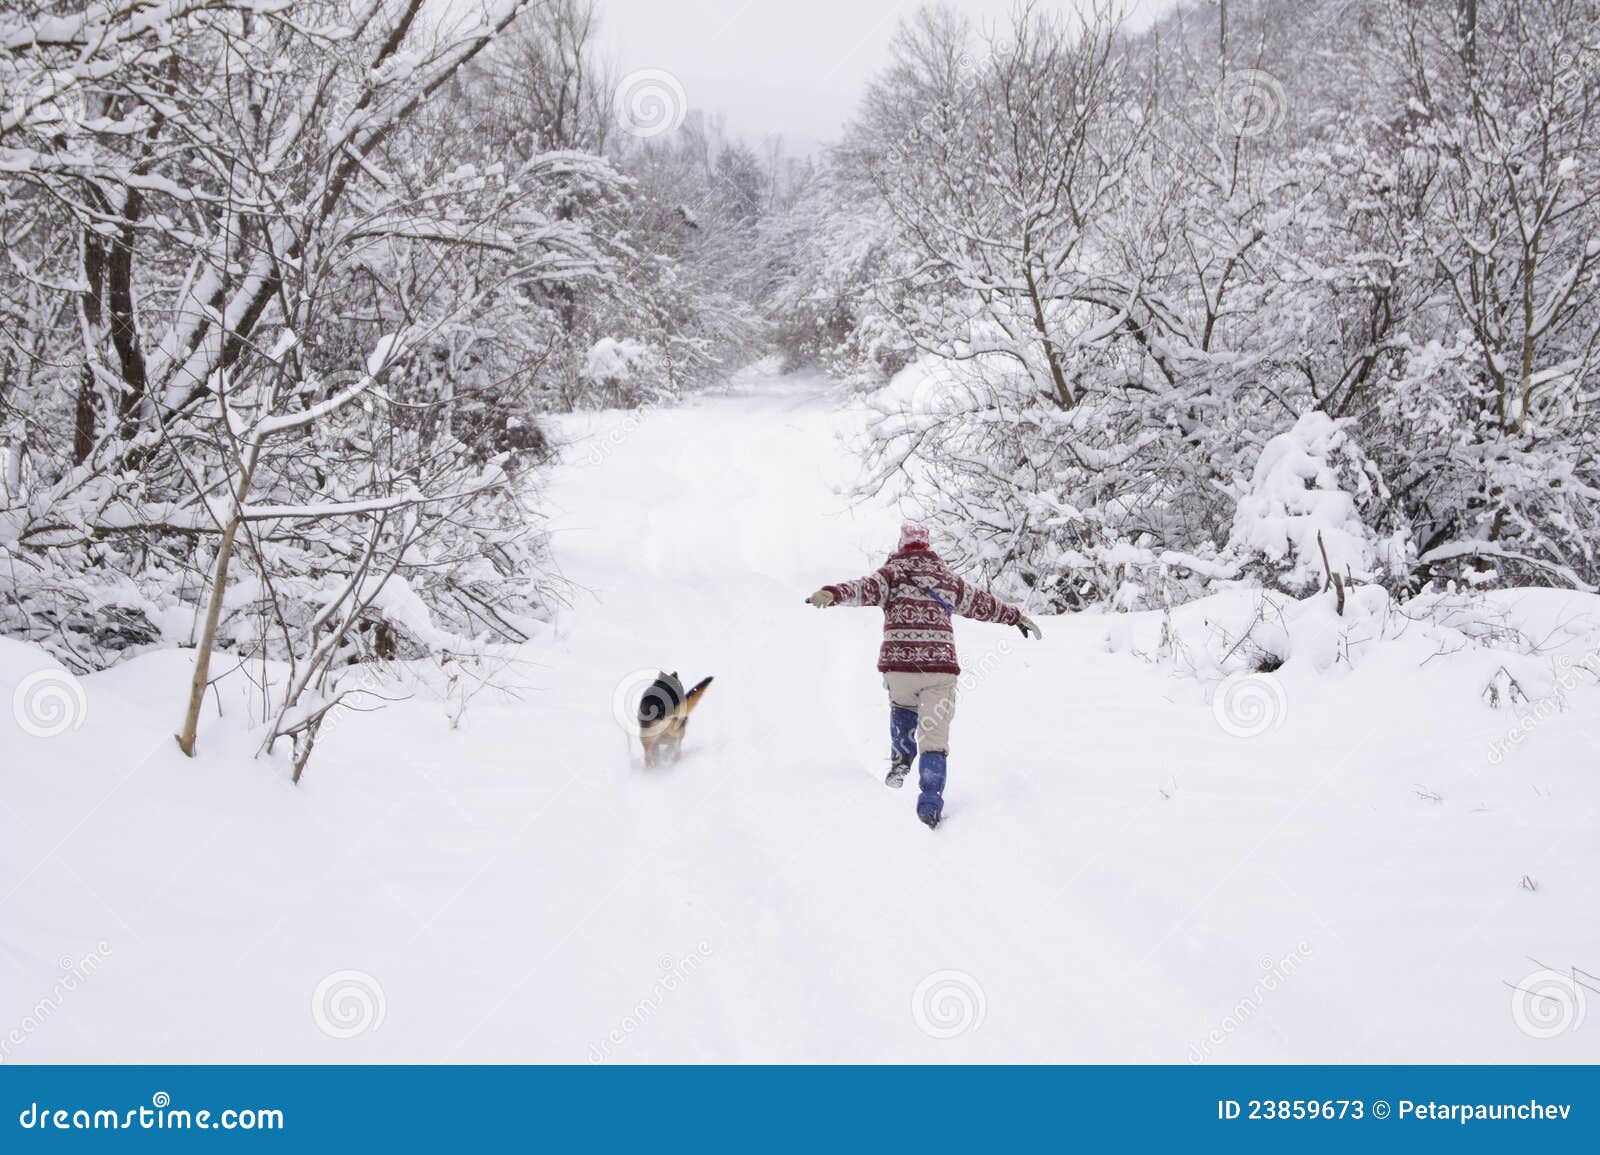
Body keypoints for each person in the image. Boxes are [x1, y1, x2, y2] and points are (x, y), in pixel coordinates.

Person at [806, 522, 1041, 828]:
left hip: (899, 666)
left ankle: (902, 758)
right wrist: (1015, 616)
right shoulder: (946, 579)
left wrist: (831, 593)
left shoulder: (890, 575)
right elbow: (981, 603)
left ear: (902, 545)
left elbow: (860, 589)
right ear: (928, 546)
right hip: (939, 669)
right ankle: (930, 800)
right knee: (935, 737)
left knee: (902, 706)